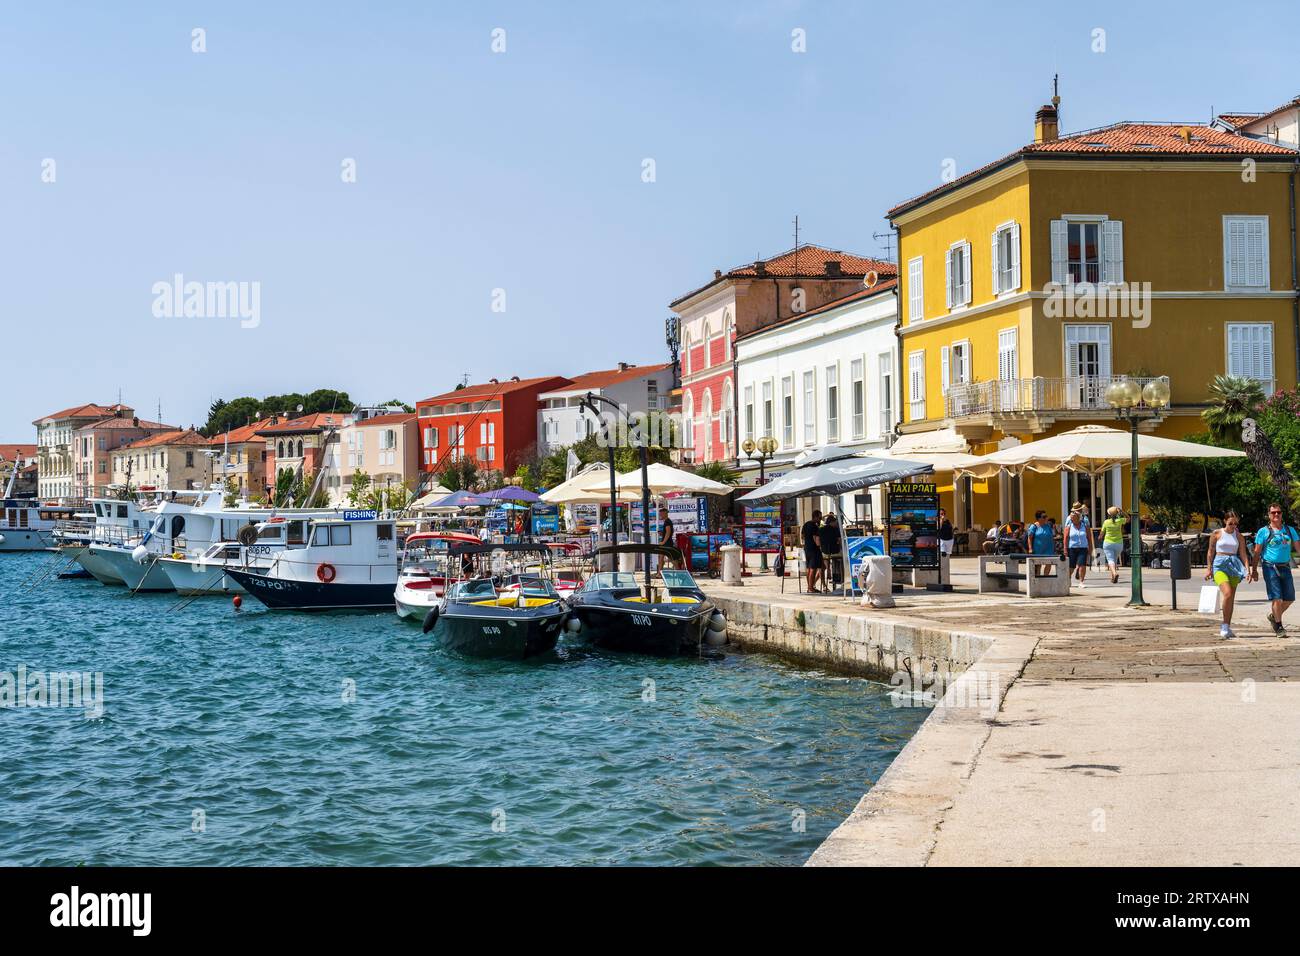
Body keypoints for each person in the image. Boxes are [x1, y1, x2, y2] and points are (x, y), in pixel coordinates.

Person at [1251, 503, 1299, 636]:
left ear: (1282, 514)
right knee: (1277, 598)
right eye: (1273, 513)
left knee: (1289, 598)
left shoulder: (1290, 530)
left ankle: (1274, 616)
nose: (1276, 514)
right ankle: (1279, 626)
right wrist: (1254, 570)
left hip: (1285, 567)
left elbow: (1298, 548)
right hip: (1270, 567)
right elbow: (1257, 552)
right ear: (1269, 515)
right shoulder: (1264, 531)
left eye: (1278, 512)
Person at [1205, 510, 1250, 639]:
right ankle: (1224, 626)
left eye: (1235, 524)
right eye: (1231, 523)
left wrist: (1247, 570)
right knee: (1227, 593)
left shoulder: (1239, 536)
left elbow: (1243, 553)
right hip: (1219, 564)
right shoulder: (1217, 534)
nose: (1233, 526)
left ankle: (1227, 626)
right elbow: (1210, 551)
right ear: (1225, 521)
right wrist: (1209, 568)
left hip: (1234, 565)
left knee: (1231, 598)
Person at [1063, 510, 1093, 587]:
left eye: (1074, 518)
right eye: (1071, 518)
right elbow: (1065, 538)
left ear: (1078, 518)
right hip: (1072, 548)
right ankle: (1068, 578)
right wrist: (1065, 549)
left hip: (1083, 547)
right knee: (1071, 567)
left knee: (1082, 565)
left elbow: (1089, 538)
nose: (1072, 519)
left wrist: (1090, 548)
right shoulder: (1069, 526)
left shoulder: (1084, 526)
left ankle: (1081, 582)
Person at [1099, 506, 1125, 585]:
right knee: (1114, 560)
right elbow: (1129, 518)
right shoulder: (1119, 521)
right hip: (1118, 543)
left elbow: (1102, 534)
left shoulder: (1106, 522)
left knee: (1110, 560)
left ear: (1109, 515)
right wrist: (1122, 511)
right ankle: (1113, 577)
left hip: (1108, 543)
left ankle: (1114, 573)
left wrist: (1100, 537)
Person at [802, 509, 823, 593]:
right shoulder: (814, 526)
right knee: (813, 569)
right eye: (820, 517)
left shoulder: (806, 524)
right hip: (814, 549)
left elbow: (802, 536)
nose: (820, 519)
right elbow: (816, 539)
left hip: (807, 548)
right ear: (816, 517)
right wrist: (819, 546)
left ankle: (809, 587)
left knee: (808, 568)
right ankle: (811, 588)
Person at [820, 513, 843, 591]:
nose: (836, 523)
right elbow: (840, 541)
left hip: (824, 551)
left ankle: (828, 569)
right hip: (834, 551)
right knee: (842, 559)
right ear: (832, 522)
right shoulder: (836, 529)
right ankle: (839, 577)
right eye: (835, 522)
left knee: (823, 564)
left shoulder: (821, 529)